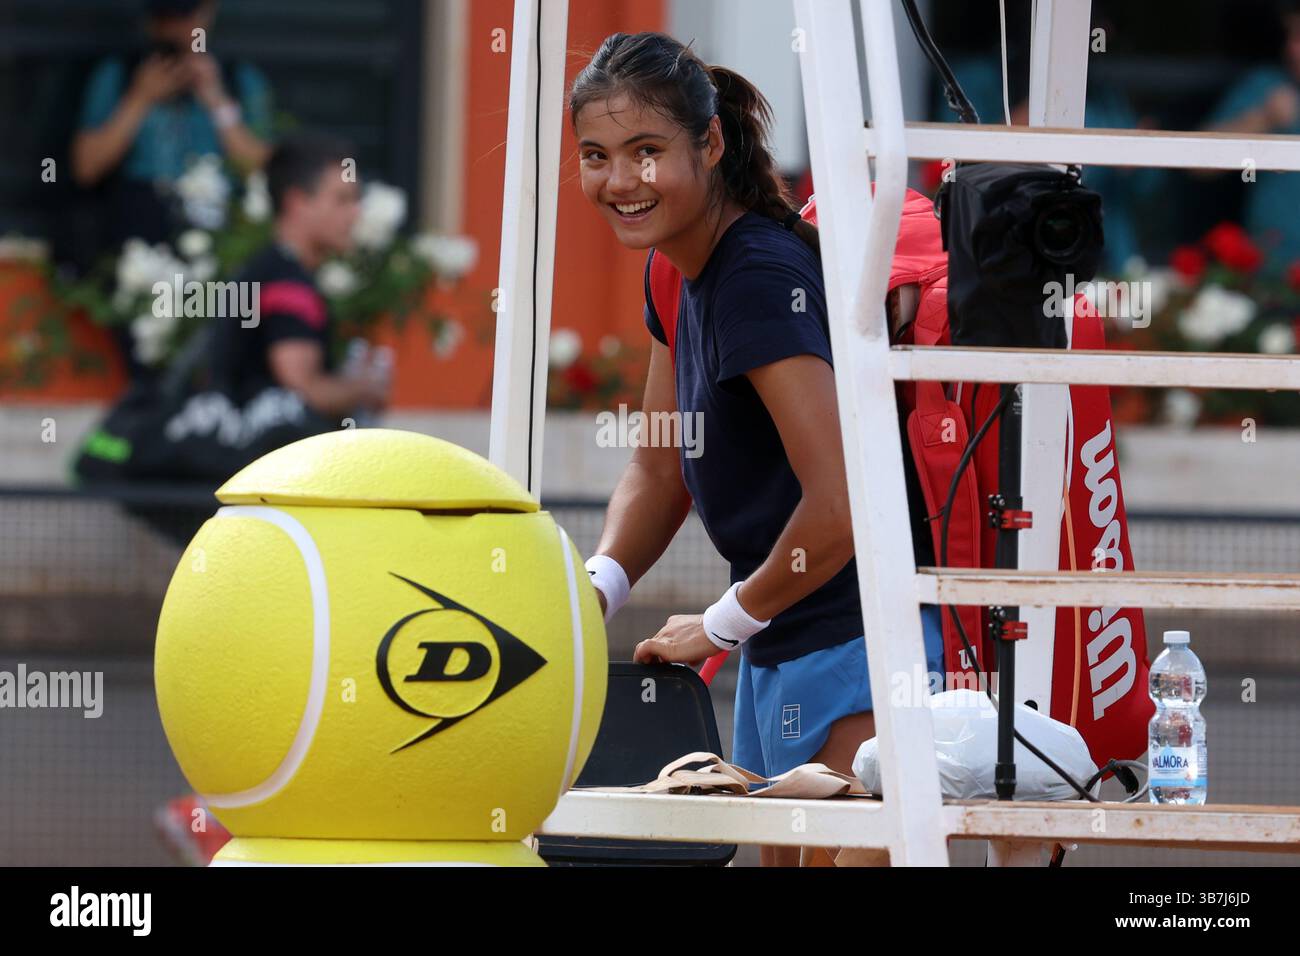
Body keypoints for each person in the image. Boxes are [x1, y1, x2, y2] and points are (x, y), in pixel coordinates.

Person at [570, 32, 945, 867]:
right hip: (782, 642)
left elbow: (842, 505)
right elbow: (661, 460)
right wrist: (595, 589)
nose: (620, 181)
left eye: (646, 152)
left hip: (868, 642)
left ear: (709, 144)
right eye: (597, 156)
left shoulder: (752, 278)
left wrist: (719, 623)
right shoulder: (672, 267)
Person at [71, 0, 272, 247]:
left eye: (182, 17)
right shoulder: (119, 74)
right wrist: (138, 100)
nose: (172, 30)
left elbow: (262, 173)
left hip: (216, 225)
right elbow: (86, 168)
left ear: (206, 13)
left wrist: (217, 102)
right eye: (162, 18)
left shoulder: (238, 77)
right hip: (136, 226)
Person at [1205, 0, 1300, 270]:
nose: (1291, 48)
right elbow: (1197, 163)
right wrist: (1263, 118)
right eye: (1290, 35)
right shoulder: (1267, 85)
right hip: (1270, 272)